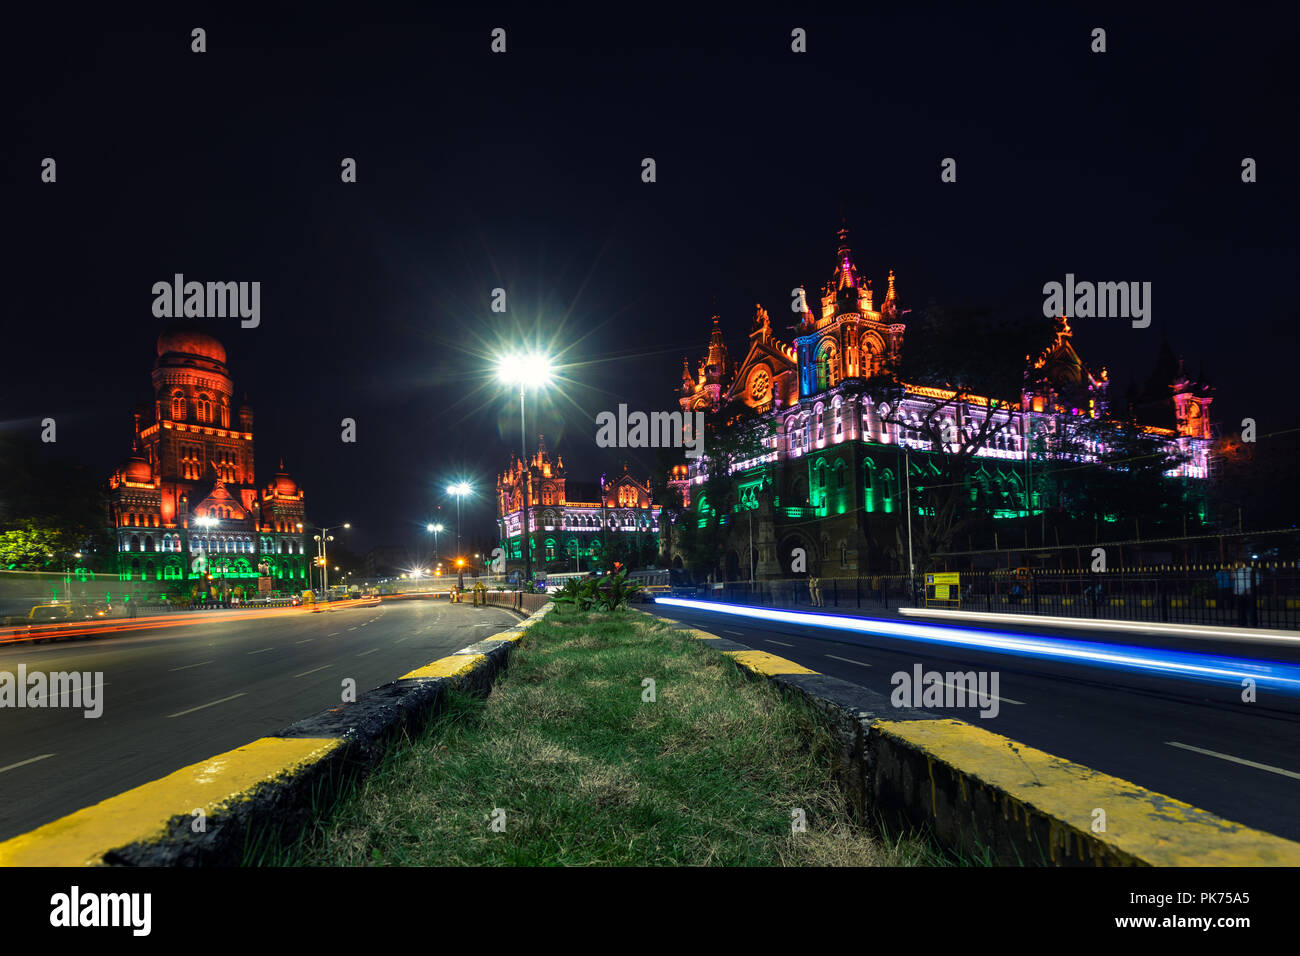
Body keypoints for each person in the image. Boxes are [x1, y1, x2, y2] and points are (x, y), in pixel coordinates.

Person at [1233, 561, 1257, 628]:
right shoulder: (1237, 570)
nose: (1236, 564)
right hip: (1238, 591)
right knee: (1240, 608)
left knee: (1249, 607)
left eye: (1237, 562)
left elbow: (1255, 580)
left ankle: (1252, 622)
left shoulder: (1249, 569)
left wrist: (1249, 588)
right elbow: (1232, 577)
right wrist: (1232, 570)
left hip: (1247, 590)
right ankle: (1242, 622)